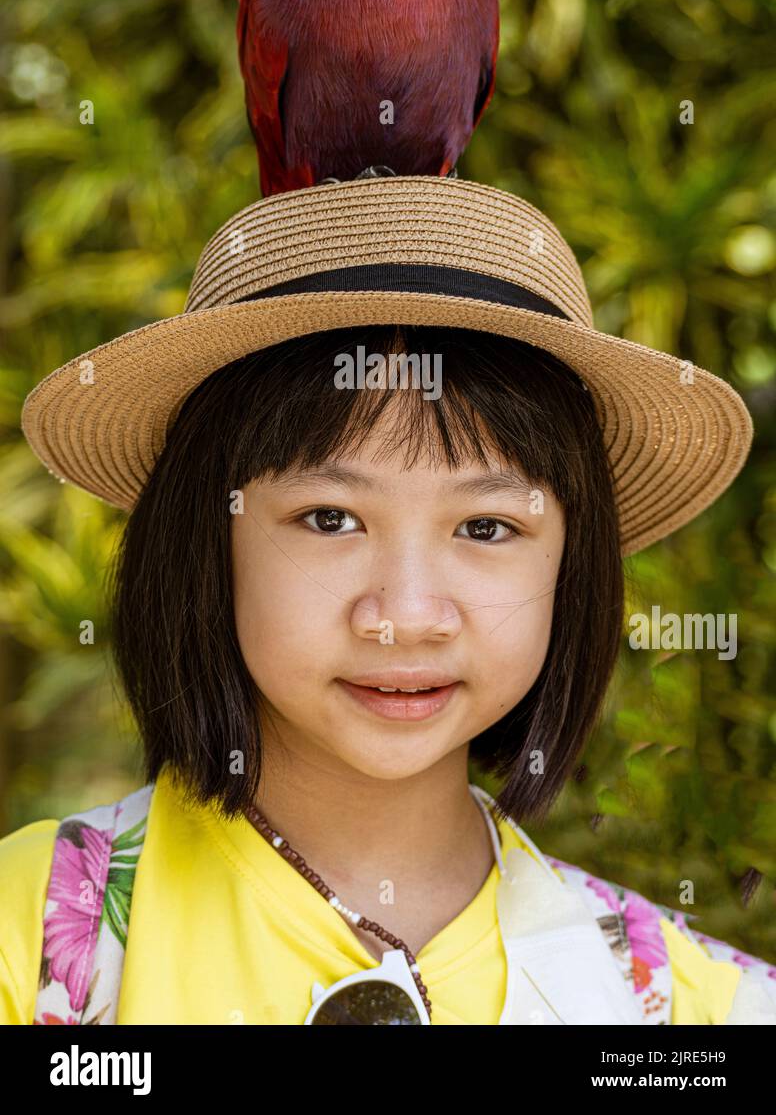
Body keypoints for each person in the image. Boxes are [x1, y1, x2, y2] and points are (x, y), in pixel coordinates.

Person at [2, 174, 774, 1025]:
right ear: (205, 543)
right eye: (330, 518)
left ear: (571, 566)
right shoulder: (26, 937)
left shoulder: (697, 1014)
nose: (405, 614)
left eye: (484, 528)